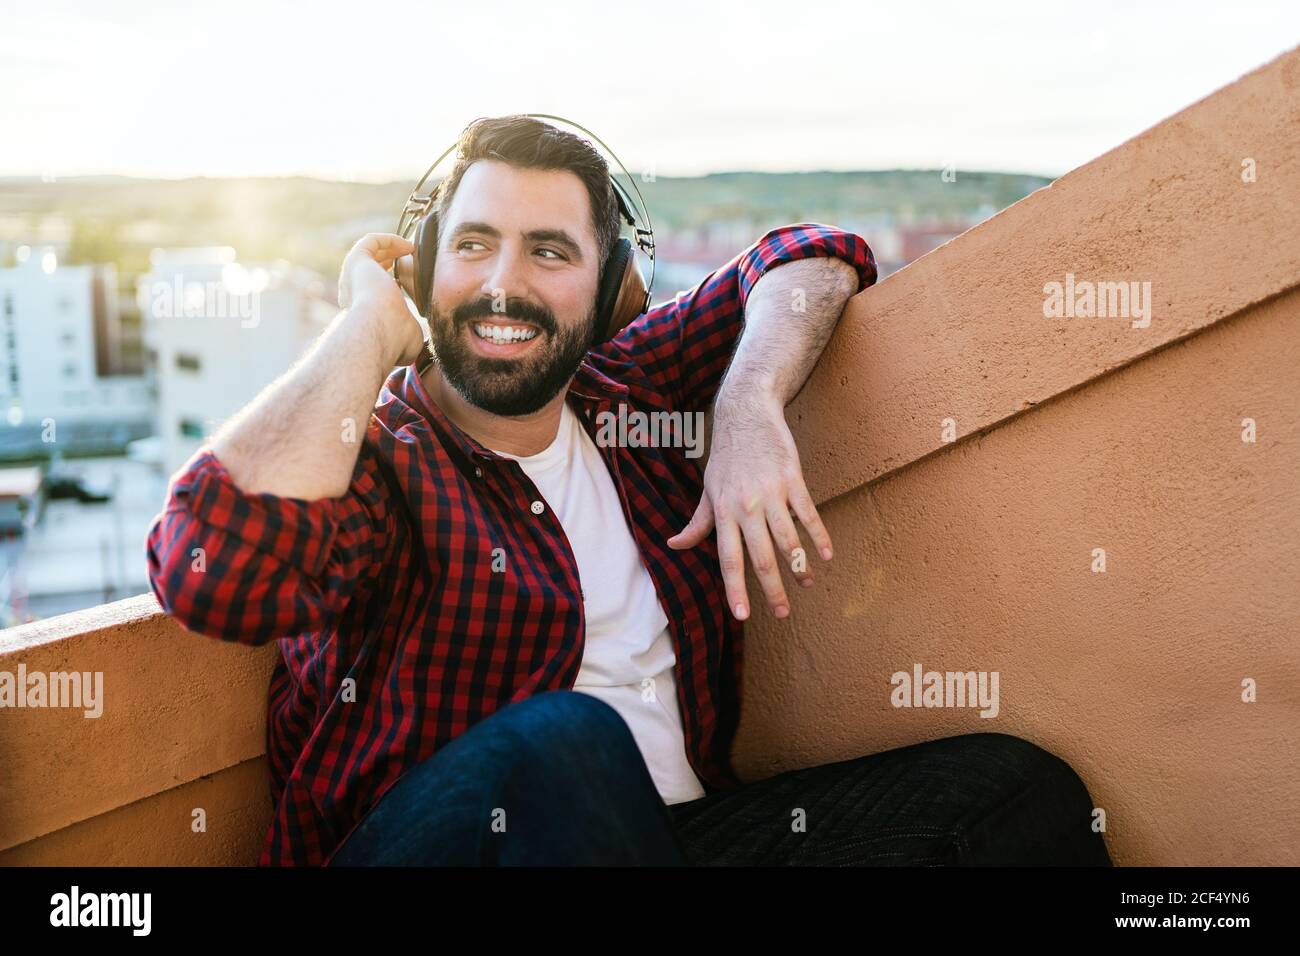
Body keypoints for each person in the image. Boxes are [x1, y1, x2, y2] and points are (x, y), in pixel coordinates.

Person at [145, 115, 1111, 867]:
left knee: (1015, 796)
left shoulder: (628, 394)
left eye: (550, 252)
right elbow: (210, 574)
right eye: (473, 245)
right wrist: (364, 328)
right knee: (567, 746)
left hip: (672, 840)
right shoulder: (380, 455)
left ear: (611, 289)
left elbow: (810, 253)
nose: (503, 284)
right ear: (426, 262)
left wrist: (746, 402)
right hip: (450, 849)